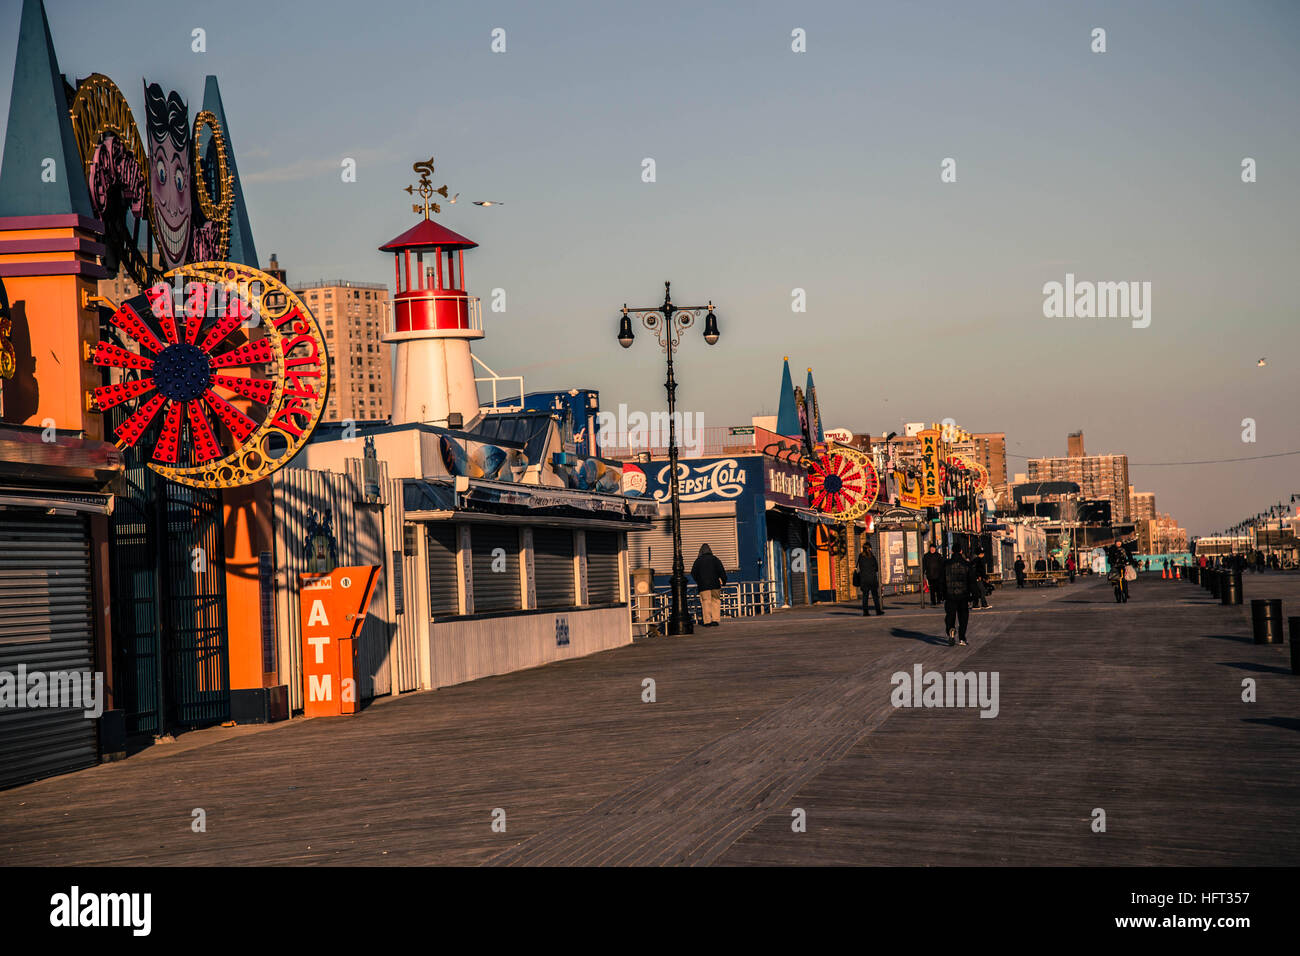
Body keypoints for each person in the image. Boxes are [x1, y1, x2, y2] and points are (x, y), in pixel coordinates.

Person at [943, 543, 979, 646]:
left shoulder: (946, 564)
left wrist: (942, 594)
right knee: (963, 617)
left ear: (951, 552)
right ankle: (962, 638)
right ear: (961, 552)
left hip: (950, 595)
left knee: (950, 615)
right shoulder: (967, 565)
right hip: (964, 595)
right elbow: (972, 581)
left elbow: (942, 580)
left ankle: (951, 629)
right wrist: (974, 595)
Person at [689, 543, 727, 627]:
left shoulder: (698, 560)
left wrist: (698, 580)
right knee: (716, 601)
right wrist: (723, 581)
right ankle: (715, 620)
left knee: (706, 602)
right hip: (715, 585)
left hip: (703, 586)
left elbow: (693, 573)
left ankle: (707, 621)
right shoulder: (715, 559)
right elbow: (722, 571)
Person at [857, 541, 882, 616]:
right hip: (872, 579)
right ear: (870, 548)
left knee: (865, 596)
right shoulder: (872, 557)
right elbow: (877, 568)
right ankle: (878, 611)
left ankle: (865, 612)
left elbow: (860, 567)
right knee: (875, 596)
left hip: (864, 579)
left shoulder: (860, 556)